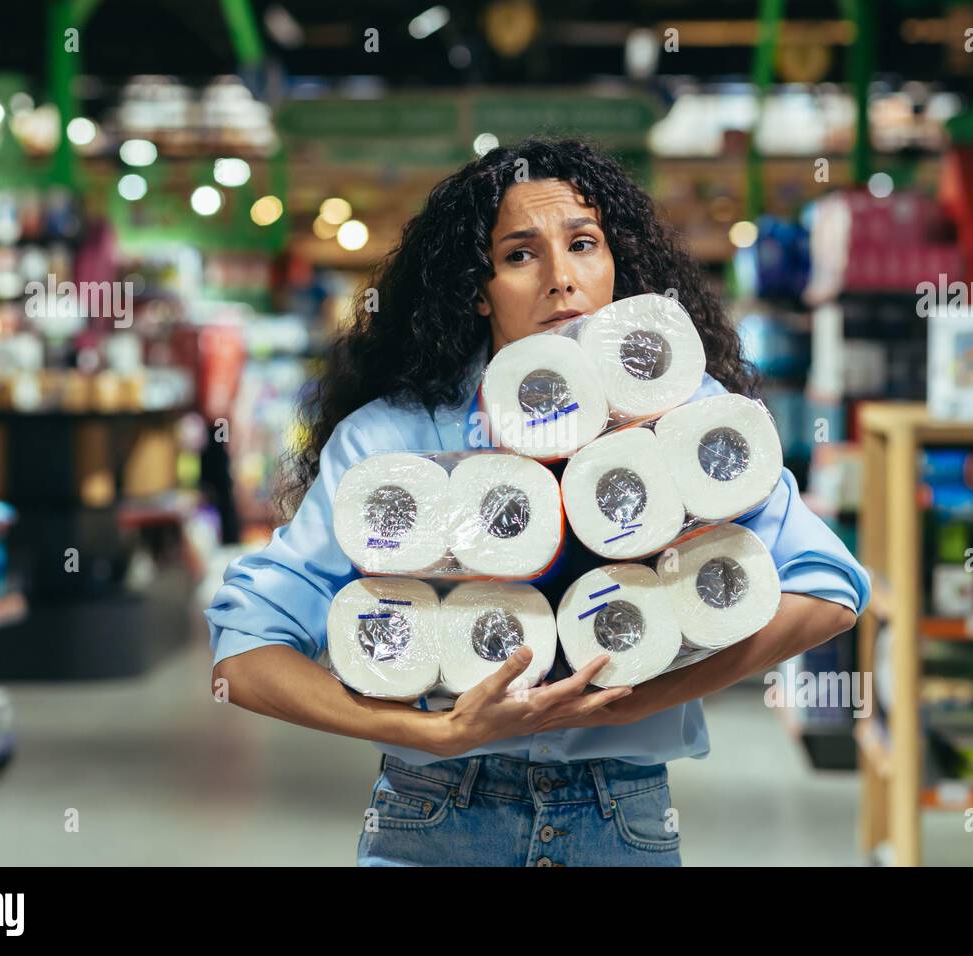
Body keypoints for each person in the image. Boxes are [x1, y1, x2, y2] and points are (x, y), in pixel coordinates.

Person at [205, 139, 871, 867]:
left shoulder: (683, 417)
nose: (562, 279)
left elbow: (829, 587)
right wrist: (436, 734)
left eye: (583, 244)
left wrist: (643, 696)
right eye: (520, 254)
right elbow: (242, 653)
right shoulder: (396, 440)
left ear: (615, 266)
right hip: (435, 815)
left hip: (620, 815)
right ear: (477, 288)